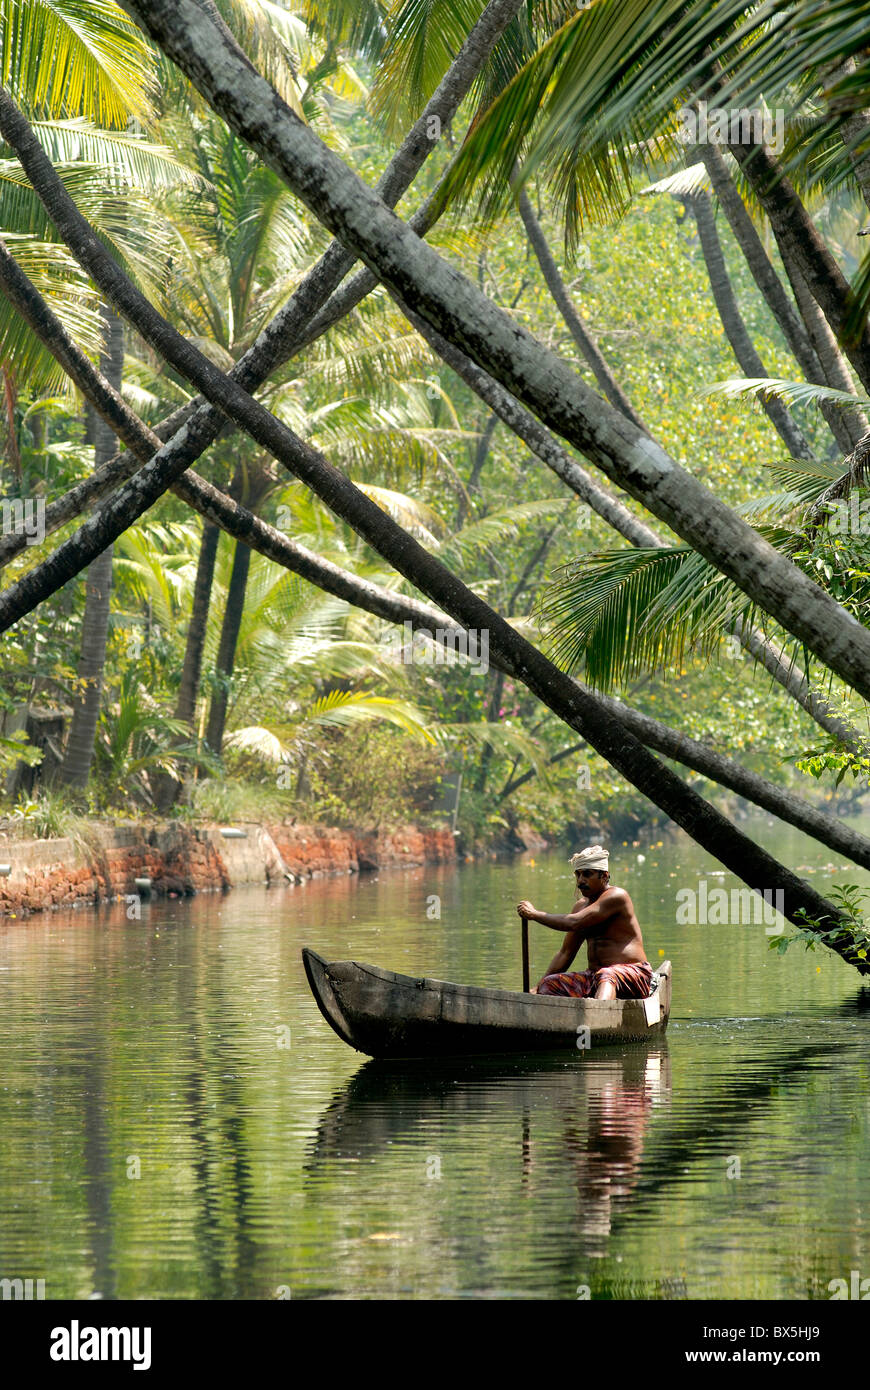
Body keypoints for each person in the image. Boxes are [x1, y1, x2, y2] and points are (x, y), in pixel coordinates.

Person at [516, 845, 653, 999]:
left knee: (607, 975)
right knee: (549, 984)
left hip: (634, 975)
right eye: (578, 874)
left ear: (604, 876)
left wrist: (535, 914)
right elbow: (565, 953)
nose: (580, 880)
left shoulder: (617, 897)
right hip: (595, 978)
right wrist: (538, 987)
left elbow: (573, 922)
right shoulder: (581, 906)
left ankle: (598, 1018)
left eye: (587, 874)